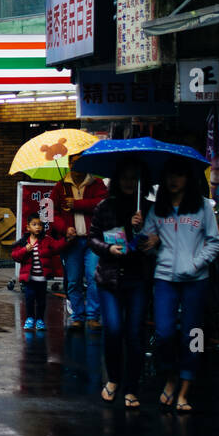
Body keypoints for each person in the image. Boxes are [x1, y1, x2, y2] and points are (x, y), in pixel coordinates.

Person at [139, 159, 219, 413]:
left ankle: (186, 387)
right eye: (169, 176)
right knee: (164, 333)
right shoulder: (158, 210)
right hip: (164, 279)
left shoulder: (202, 208)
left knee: (193, 335)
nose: (173, 180)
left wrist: (195, 264)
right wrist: (145, 238)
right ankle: (170, 377)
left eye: (179, 176)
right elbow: (144, 246)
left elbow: (214, 243)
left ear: (188, 179)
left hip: (195, 282)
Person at [88, 157, 153, 408]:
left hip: (137, 278)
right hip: (109, 278)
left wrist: (142, 228)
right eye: (125, 177)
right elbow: (93, 239)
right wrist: (108, 248)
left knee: (134, 334)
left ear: (140, 182)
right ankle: (114, 379)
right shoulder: (105, 207)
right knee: (114, 329)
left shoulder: (147, 208)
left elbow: (149, 244)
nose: (129, 182)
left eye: (134, 178)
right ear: (117, 181)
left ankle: (132, 388)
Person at [50, 155, 108, 330]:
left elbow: (102, 204)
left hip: (93, 239)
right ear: (68, 164)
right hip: (72, 242)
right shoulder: (60, 186)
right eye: (72, 162)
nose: (75, 166)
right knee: (74, 280)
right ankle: (77, 316)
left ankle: (92, 316)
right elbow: (52, 214)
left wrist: (77, 204)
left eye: (79, 162)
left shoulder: (97, 184)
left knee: (93, 277)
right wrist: (64, 228)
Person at [11, 216, 64, 333]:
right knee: (29, 298)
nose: (38, 227)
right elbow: (15, 256)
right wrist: (25, 250)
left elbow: (57, 247)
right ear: (28, 227)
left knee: (41, 300)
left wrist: (67, 239)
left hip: (42, 278)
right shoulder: (24, 241)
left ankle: (40, 319)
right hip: (29, 278)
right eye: (34, 224)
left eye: (40, 225)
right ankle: (30, 318)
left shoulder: (46, 240)